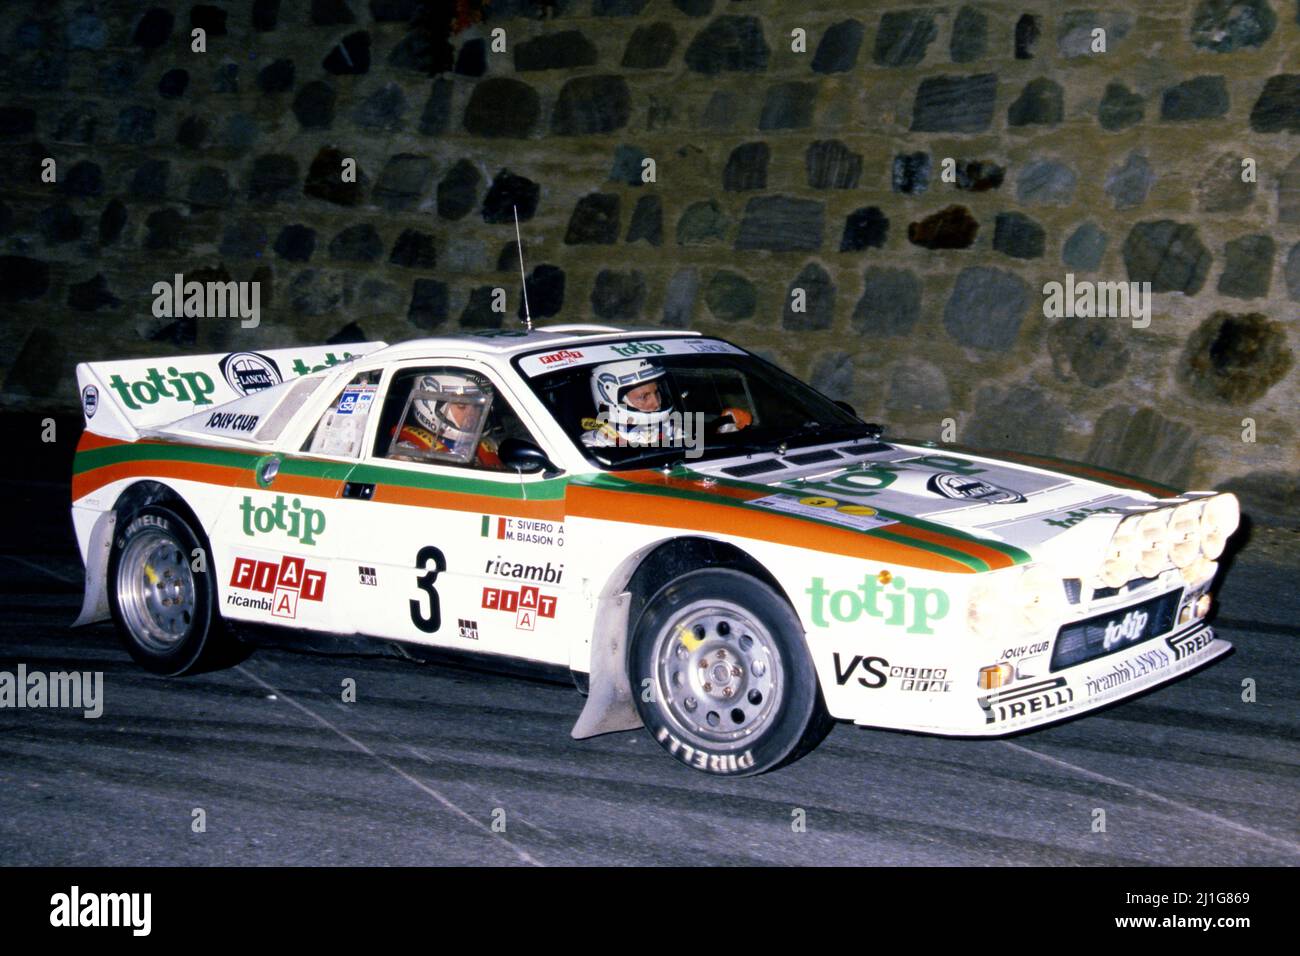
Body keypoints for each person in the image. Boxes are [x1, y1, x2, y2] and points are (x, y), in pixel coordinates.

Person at [392, 371, 502, 467]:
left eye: (478, 406)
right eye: (461, 406)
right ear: (429, 405)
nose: (472, 414)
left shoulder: (492, 446)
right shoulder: (407, 454)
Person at [581, 359, 679, 448]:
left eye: (657, 392)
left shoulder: (673, 432)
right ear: (611, 400)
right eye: (643, 397)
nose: (656, 403)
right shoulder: (594, 446)